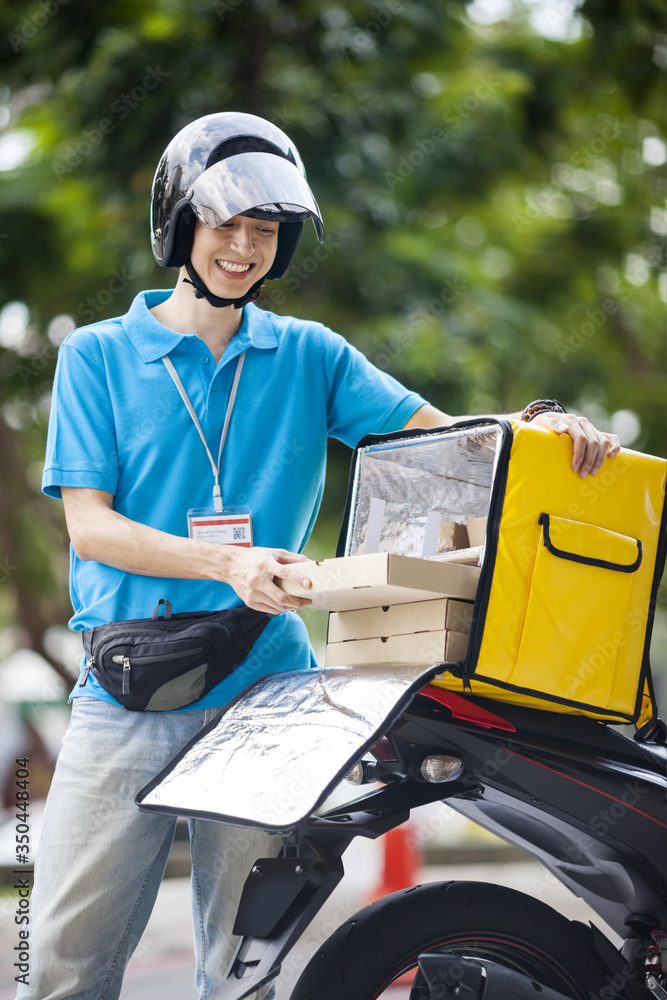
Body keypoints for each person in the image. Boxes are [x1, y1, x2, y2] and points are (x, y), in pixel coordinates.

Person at [23, 112, 619, 1000]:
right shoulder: (99, 356)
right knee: (66, 967)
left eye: (264, 231)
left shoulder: (309, 355)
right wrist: (227, 564)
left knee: (245, 975)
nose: (244, 248)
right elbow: (91, 527)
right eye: (226, 224)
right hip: (127, 690)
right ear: (179, 226)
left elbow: (452, 441)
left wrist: (536, 429)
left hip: (270, 697)